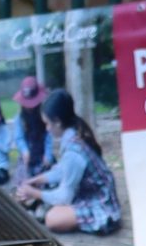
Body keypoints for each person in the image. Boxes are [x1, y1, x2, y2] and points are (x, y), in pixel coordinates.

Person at [15, 88, 120, 234]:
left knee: (52, 219)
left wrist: (34, 193)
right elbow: (62, 170)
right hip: (89, 194)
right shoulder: (72, 133)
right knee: (53, 202)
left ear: (58, 122)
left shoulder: (73, 151)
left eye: (48, 124)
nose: (47, 129)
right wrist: (37, 180)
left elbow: (65, 196)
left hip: (102, 204)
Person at [12, 76, 49, 181]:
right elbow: (18, 137)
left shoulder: (44, 115)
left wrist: (48, 155)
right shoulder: (19, 118)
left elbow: (48, 136)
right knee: (23, 182)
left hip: (42, 156)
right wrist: (25, 151)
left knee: (45, 180)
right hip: (27, 158)